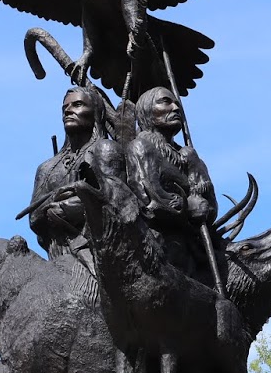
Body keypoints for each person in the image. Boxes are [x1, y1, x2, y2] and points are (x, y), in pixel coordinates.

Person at [26, 83, 120, 296]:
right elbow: (34, 219)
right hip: (59, 255)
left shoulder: (106, 151)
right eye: (65, 107)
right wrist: (54, 207)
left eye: (77, 105)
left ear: (95, 112)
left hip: (97, 255)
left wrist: (80, 206)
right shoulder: (48, 168)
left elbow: (118, 203)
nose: (68, 110)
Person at [125, 86, 217, 286]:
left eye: (176, 103)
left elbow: (210, 206)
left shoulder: (188, 155)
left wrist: (196, 172)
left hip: (193, 252)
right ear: (146, 110)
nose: (175, 108)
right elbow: (149, 202)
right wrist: (187, 207)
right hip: (160, 251)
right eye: (165, 102)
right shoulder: (141, 147)